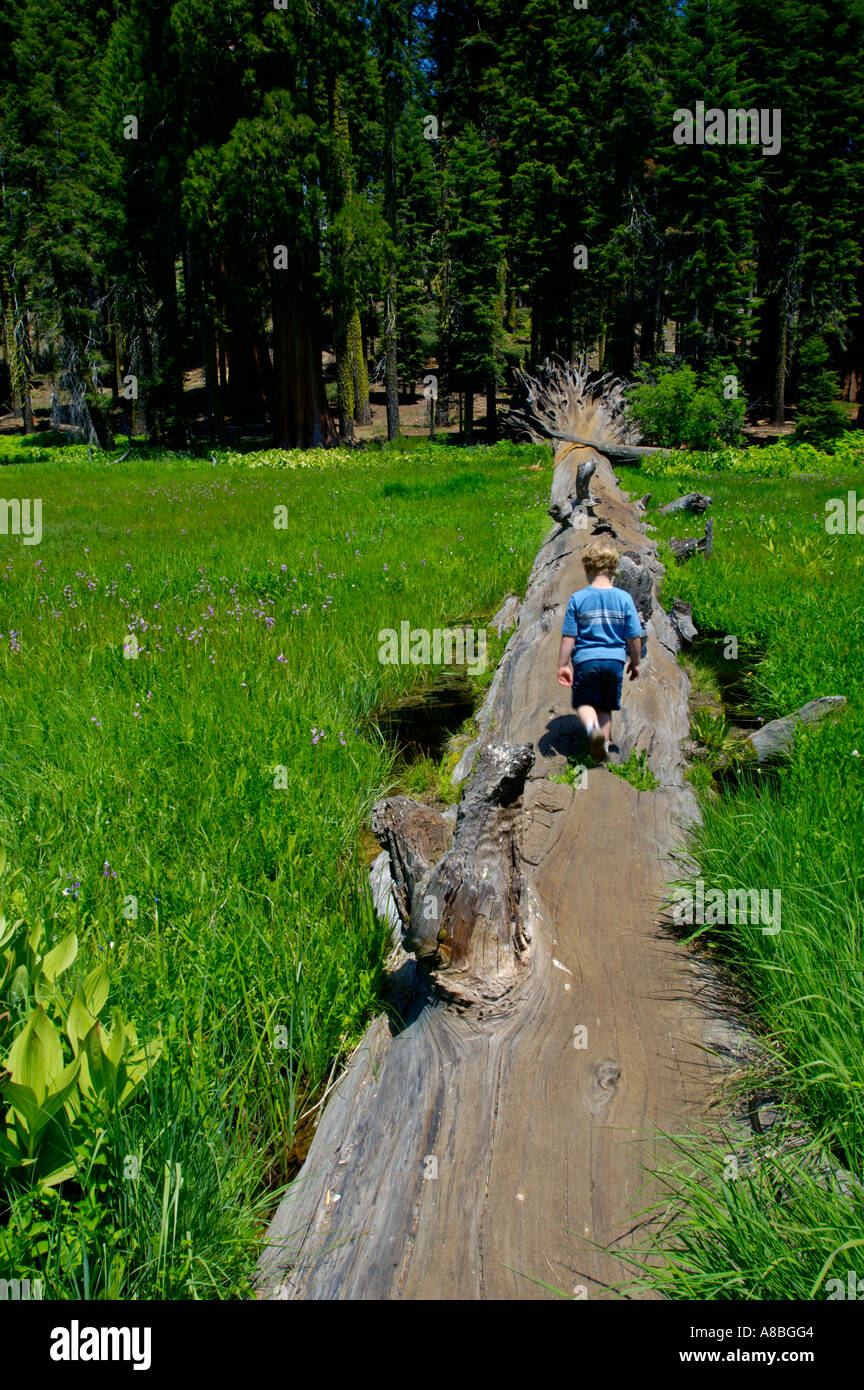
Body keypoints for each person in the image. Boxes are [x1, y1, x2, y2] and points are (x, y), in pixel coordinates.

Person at [556, 539, 642, 763]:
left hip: (585, 661)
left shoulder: (578, 599)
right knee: (605, 706)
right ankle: (603, 746)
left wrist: (563, 665)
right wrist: (635, 662)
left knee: (585, 703)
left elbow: (569, 637)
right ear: (615, 568)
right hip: (614, 662)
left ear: (586, 567)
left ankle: (592, 730)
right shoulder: (624, 598)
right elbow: (634, 637)